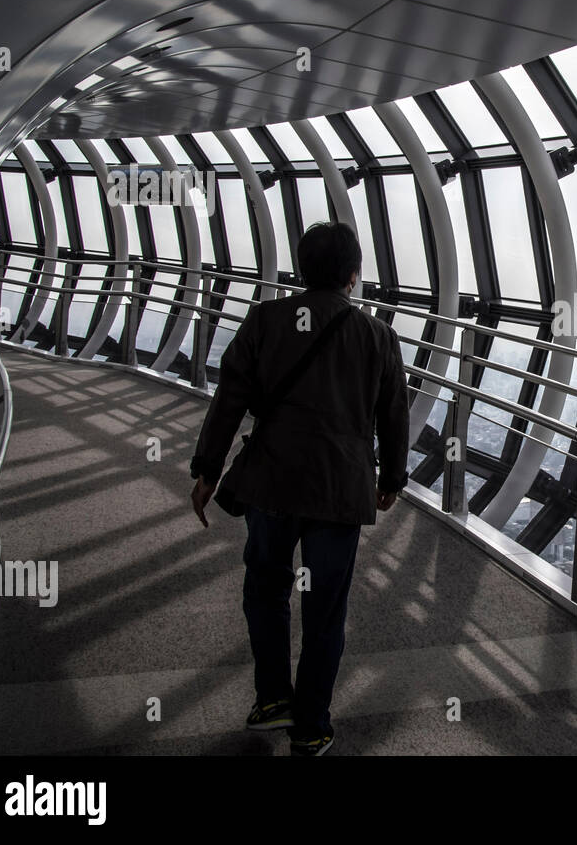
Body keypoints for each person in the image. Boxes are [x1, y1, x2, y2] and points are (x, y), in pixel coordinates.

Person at [189, 221, 409, 756]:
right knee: (325, 607)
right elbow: (394, 415)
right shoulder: (377, 335)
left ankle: (272, 698)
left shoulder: (265, 320)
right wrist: (391, 479)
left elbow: (231, 398)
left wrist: (208, 467)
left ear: (300, 269)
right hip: (339, 488)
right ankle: (311, 724)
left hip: (272, 478)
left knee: (265, 588)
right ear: (354, 276)